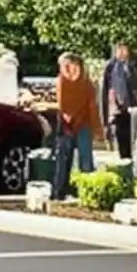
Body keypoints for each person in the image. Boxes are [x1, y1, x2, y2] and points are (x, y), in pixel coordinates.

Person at [50, 52, 101, 200]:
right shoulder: (61, 82)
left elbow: (92, 109)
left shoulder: (88, 86)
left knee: (85, 160)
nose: (68, 70)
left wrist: (97, 129)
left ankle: (88, 191)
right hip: (65, 126)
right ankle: (59, 191)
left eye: (71, 66)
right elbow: (62, 104)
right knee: (62, 159)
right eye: (64, 66)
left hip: (82, 125)